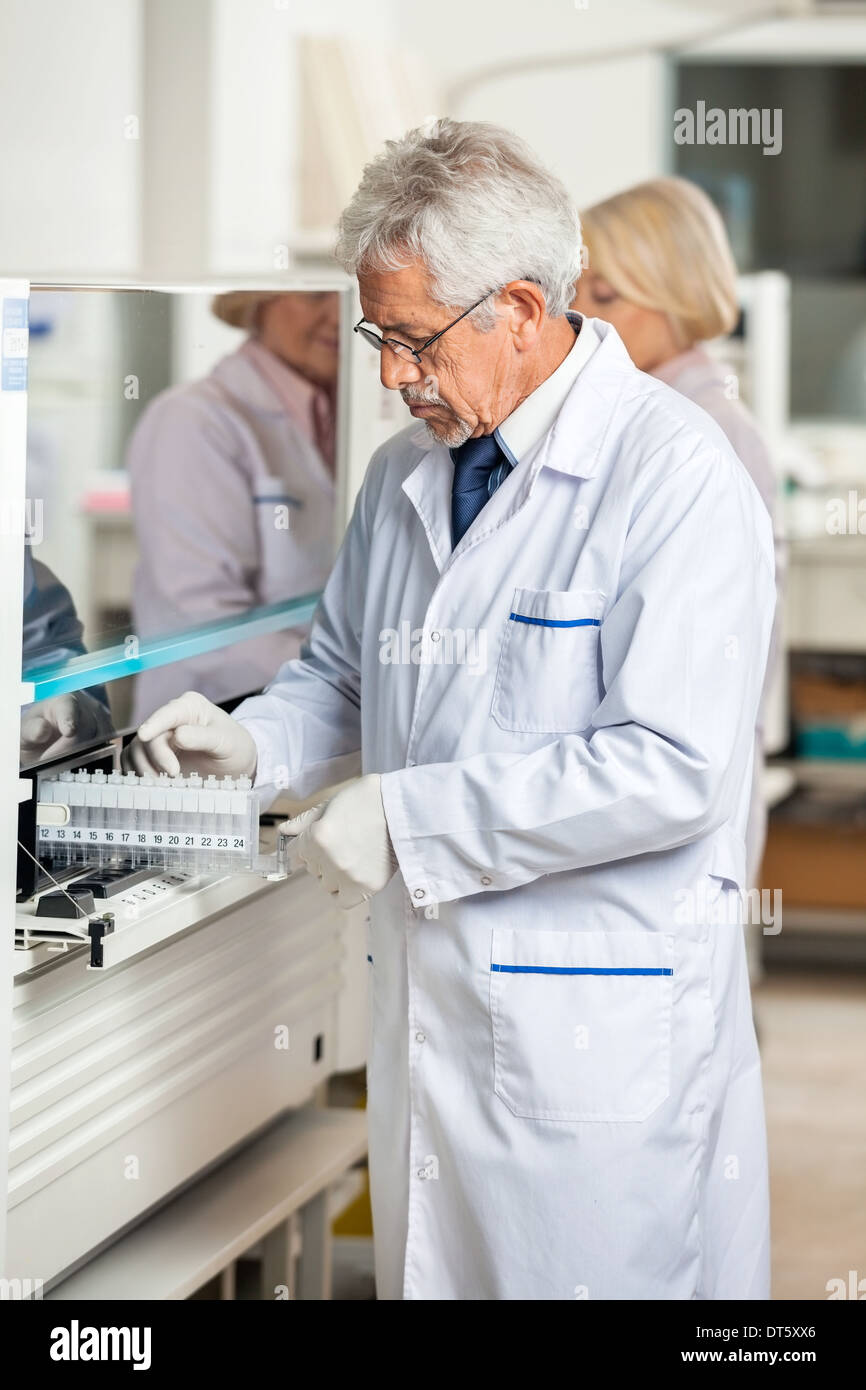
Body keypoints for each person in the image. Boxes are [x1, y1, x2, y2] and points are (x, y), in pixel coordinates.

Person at [125, 119, 776, 1301]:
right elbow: (340, 676)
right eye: (377, 334)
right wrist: (253, 742)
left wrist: (408, 816)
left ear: (519, 310)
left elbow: (670, 766)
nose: (385, 374)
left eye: (412, 339)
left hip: (591, 1037)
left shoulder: (672, 480)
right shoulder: (401, 476)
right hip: (437, 1010)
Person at [574, 176, 787, 887]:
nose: (574, 313)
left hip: (681, 773)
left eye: (605, 296)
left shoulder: (708, 431)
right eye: (575, 288)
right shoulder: (645, 413)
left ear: (677, 296)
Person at [128, 290, 339, 723]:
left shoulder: (344, 415)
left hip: (305, 720)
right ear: (256, 306)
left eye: (348, 298)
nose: (337, 315)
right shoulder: (193, 419)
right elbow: (203, 619)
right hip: (208, 724)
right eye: (316, 295)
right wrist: (344, 683)